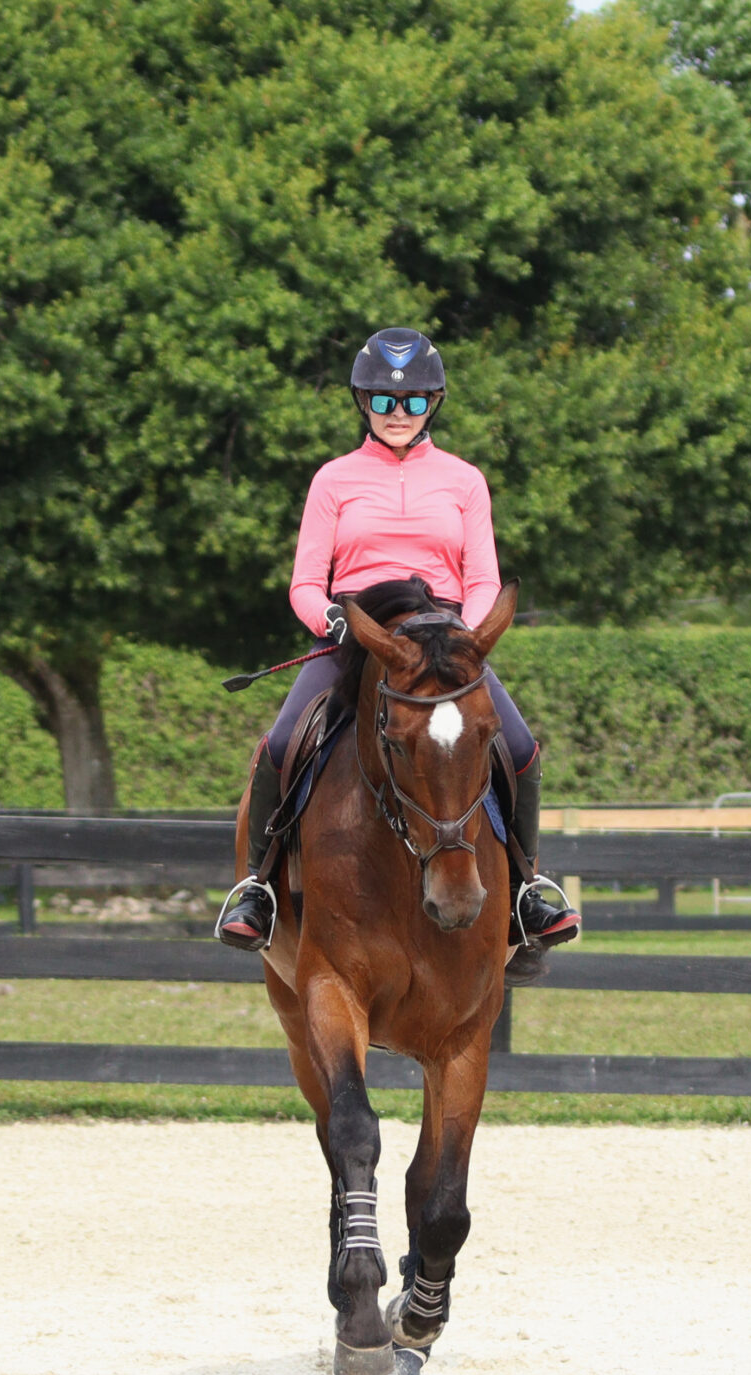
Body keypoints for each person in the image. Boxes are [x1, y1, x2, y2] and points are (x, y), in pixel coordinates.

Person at [216, 327, 578, 981]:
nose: (399, 413)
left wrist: (462, 640)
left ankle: (528, 890)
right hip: (358, 638)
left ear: (434, 402)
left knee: (519, 748)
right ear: (363, 403)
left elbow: (484, 579)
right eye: (385, 401)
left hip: (445, 646)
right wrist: (331, 619)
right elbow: (304, 582)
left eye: (413, 401)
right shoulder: (333, 480)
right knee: (279, 742)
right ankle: (258, 888)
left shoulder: (465, 481)